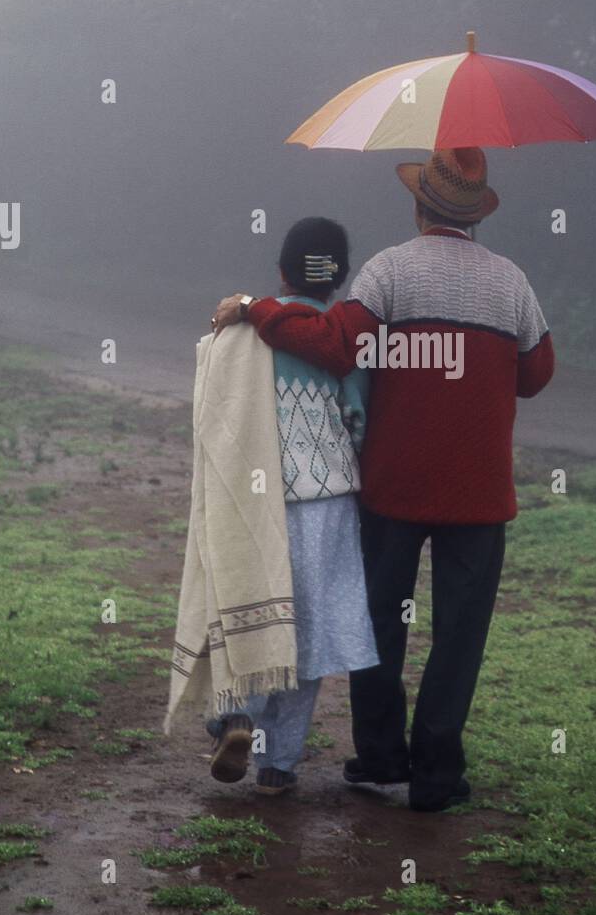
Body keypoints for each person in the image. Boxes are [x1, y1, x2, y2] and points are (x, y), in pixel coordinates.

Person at [212, 149, 554, 810]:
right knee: (459, 633)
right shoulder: (512, 282)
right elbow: (536, 375)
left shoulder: (389, 270)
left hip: (394, 490)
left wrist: (259, 309)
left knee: (381, 624)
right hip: (479, 498)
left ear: (420, 204)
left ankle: (379, 758)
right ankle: (437, 775)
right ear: (477, 214)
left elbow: (334, 345)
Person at [208, 217, 378, 795]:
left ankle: (237, 715)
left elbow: (215, 415)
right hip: (325, 504)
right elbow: (358, 423)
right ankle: (278, 764)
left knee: (253, 610)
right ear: (337, 280)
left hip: (254, 500)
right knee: (307, 628)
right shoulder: (343, 341)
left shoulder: (238, 326)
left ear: (281, 269)